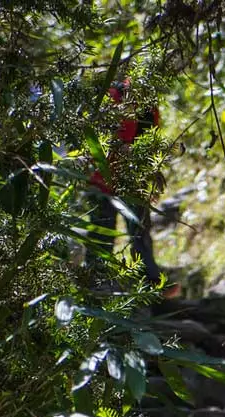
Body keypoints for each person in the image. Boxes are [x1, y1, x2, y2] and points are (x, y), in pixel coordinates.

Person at [88, 76, 161, 286]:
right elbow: (103, 138)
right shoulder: (113, 98)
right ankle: (95, 284)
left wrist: (151, 178)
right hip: (103, 178)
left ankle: (150, 283)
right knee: (101, 233)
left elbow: (149, 142)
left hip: (132, 179)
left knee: (139, 230)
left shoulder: (150, 107)